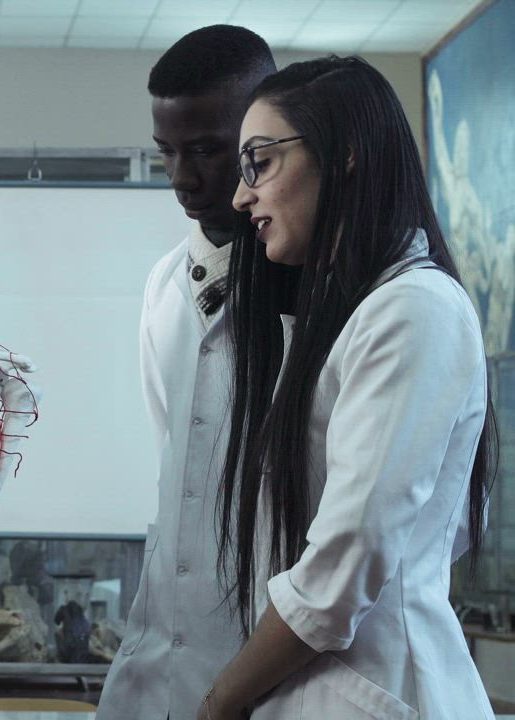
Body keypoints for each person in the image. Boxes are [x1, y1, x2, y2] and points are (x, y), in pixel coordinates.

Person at [200, 55, 496, 720]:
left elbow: (350, 559)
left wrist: (221, 701)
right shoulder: (359, 315)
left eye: (260, 163)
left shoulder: (415, 308)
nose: (241, 196)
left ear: (349, 155)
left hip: (379, 688)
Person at [96, 25, 275, 720]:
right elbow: (180, 458)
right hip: (164, 663)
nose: (182, 179)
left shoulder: (323, 291)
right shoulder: (164, 287)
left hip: (269, 662)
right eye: (166, 152)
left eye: (206, 150)